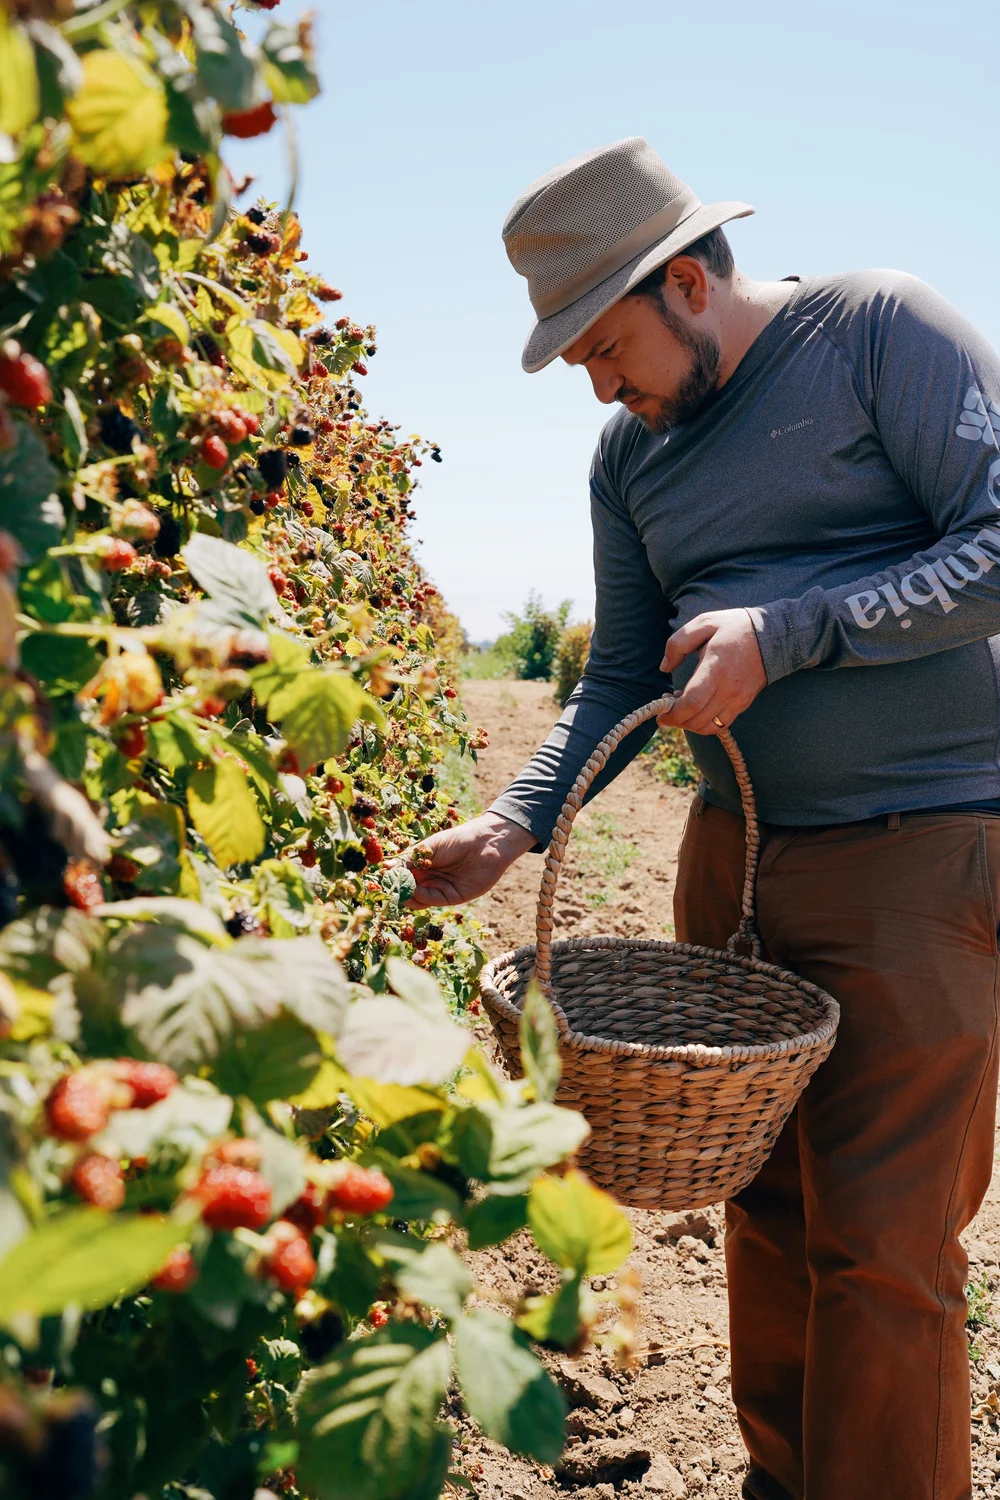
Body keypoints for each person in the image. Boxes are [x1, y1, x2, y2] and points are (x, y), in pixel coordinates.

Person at [406, 136, 1000, 1500]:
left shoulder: (875, 331)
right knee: (770, 1210)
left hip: (920, 851)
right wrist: (513, 824)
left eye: (605, 347)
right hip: (735, 859)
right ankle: (788, 1479)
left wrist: (785, 637)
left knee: (888, 1249)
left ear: (684, 282)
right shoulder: (632, 456)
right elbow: (619, 671)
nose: (598, 386)